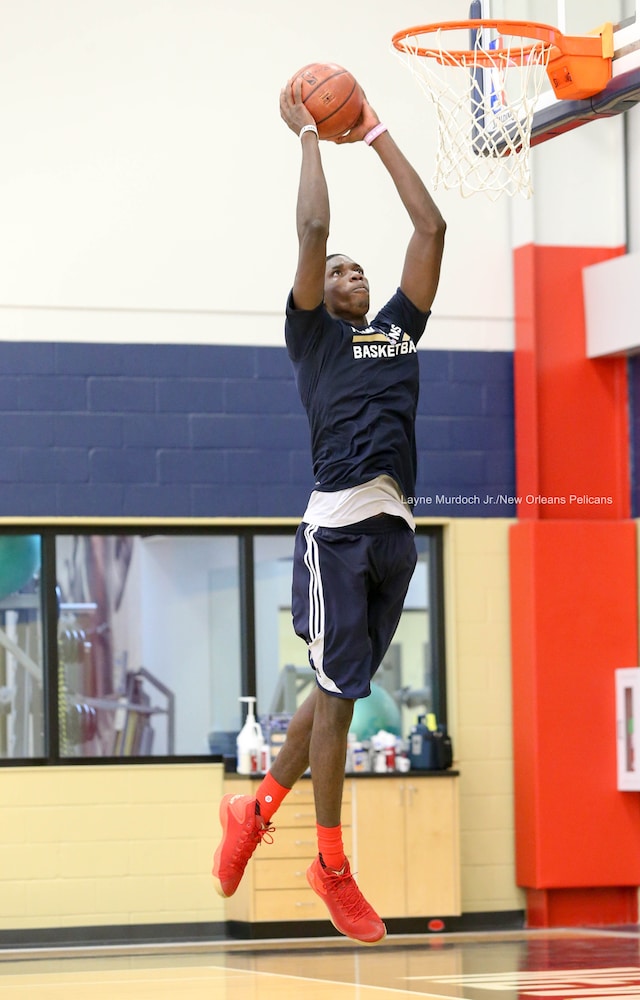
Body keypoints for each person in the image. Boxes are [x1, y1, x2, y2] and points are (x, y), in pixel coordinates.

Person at [212, 73, 446, 945]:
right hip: (338, 528)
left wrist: (377, 127)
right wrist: (310, 133)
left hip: (397, 535)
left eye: (359, 268)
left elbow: (432, 228)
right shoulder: (314, 335)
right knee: (340, 701)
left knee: (337, 688)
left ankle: (258, 807)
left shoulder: (396, 330)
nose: (349, 271)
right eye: (339, 269)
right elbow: (313, 227)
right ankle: (331, 865)